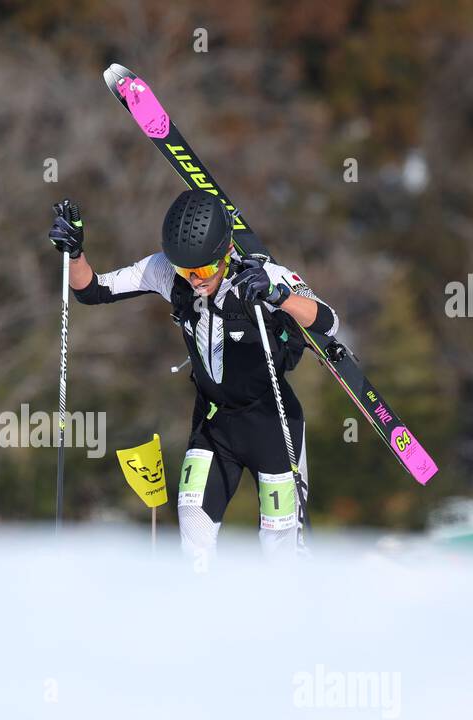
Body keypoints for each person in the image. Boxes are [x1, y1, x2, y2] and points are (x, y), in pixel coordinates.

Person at [48, 189, 343, 561]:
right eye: (185, 271)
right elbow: (93, 290)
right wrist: (74, 254)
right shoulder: (166, 270)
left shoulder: (262, 272)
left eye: (202, 271)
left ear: (224, 254)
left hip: (271, 422)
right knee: (192, 526)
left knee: (280, 547)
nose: (193, 281)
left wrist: (277, 296)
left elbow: (330, 321)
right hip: (214, 423)